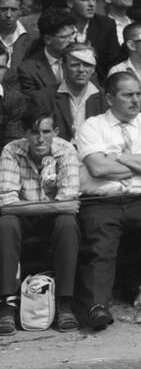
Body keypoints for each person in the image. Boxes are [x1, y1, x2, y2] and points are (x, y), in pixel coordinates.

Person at [74, 72, 141, 331]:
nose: (135, 101)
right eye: (127, 95)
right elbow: (97, 168)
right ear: (109, 98)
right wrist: (138, 161)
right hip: (101, 201)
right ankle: (97, 306)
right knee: (101, 244)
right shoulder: (92, 126)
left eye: (138, 94)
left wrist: (117, 157)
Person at [0, 107, 82, 334]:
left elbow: (71, 203)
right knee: (5, 225)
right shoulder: (11, 150)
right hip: (21, 219)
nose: (40, 138)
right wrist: (56, 204)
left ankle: (65, 303)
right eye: (34, 132)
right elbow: (6, 205)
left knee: (67, 224)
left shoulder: (65, 150)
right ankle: (6, 304)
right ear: (25, 133)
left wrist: (57, 206)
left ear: (54, 131)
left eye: (46, 132)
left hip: (50, 219)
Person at [32, 44, 103, 142]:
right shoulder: (43, 98)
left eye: (87, 65)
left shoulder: (105, 98)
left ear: (93, 69)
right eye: (75, 65)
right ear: (63, 67)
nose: (81, 70)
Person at [64, 0, 121, 83]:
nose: (91, 4)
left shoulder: (106, 24)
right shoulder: (60, 25)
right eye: (85, 0)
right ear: (70, 3)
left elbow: (114, 63)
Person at [18, 9, 78, 96]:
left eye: (73, 34)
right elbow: (33, 104)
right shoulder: (28, 70)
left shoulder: (83, 59)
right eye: (64, 37)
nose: (72, 40)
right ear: (48, 39)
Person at [0, 0, 31, 73]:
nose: (8, 15)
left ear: (20, 11)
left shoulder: (32, 40)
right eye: (4, 9)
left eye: (13, 10)